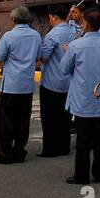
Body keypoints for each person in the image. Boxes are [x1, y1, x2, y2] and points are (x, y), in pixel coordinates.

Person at [58, 6, 100, 185]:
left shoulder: (76, 45)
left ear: (86, 24)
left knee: (83, 141)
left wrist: (66, 52)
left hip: (82, 98)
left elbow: (64, 69)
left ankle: (81, 175)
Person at [0, 6, 40, 165]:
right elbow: (39, 56)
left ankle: (5, 154)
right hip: (26, 85)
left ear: (13, 19)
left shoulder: (9, 36)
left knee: (5, 121)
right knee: (22, 121)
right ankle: (19, 151)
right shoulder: (36, 36)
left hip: (10, 85)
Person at [36, 9, 77, 157]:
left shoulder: (52, 34)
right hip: (68, 82)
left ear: (54, 17)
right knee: (65, 117)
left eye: (50, 18)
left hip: (52, 82)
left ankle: (50, 148)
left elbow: (44, 57)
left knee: (49, 117)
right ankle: (64, 146)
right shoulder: (74, 32)